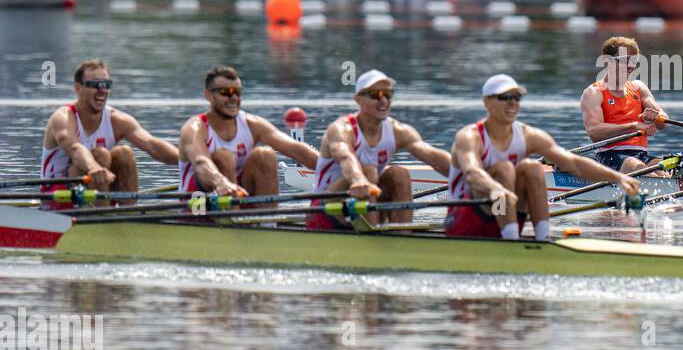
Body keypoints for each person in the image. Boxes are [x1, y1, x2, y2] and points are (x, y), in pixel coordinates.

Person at [445, 74, 639, 240]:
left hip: (506, 213)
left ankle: (541, 237)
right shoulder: (470, 137)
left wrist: (618, 177)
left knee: (533, 168)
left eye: (517, 97)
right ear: (486, 102)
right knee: (504, 169)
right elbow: (472, 173)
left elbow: (573, 164)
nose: (513, 103)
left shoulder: (529, 135)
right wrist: (496, 188)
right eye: (505, 97)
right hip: (466, 218)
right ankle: (511, 243)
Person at [306, 70, 451, 230]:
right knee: (369, 171)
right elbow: (345, 157)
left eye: (388, 94)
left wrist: (467, 173)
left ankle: (403, 237)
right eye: (375, 94)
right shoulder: (342, 129)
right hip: (325, 211)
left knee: (399, 174)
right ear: (358, 99)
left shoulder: (398, 131)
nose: (383, 100)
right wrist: (357, 180)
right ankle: (372, 240)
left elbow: (432, 155)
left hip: (363, 202)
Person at [38, 59, 179, 208]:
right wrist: (93, 167)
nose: (102, 90)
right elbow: (75, 148)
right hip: (58, 196)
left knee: (124, 153)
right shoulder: (63, 118)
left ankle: (128, 214)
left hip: (96, 192)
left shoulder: (117, 120)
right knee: (101, 155)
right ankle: (101, 215)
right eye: (95, 85)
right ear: (78, 89)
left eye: (106, 84)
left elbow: (153, 146)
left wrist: (188, 160)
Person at [178, 65, 319, 199]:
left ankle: (268, 223)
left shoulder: (252, 124)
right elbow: (201, 162)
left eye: (237, 92)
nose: (233, 98)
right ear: (208, 96)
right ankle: (232, 218)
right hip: (198, 208)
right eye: (226, 92)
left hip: (238, 199)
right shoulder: (195, 129)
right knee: (224, 157)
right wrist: (221, 182)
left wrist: (333, 165)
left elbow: (297, 150)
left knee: (265, 155)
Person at [580, 37, 671, 176]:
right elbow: (594, 133)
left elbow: (665, 123)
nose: (630, 66)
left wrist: (655, 118)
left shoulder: (638, 87)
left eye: (633, 60)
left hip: (640, 154)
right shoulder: (594, 93)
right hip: (610, 156)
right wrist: (632, 126)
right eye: (624, 60)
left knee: (665, 172)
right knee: (638, 167)